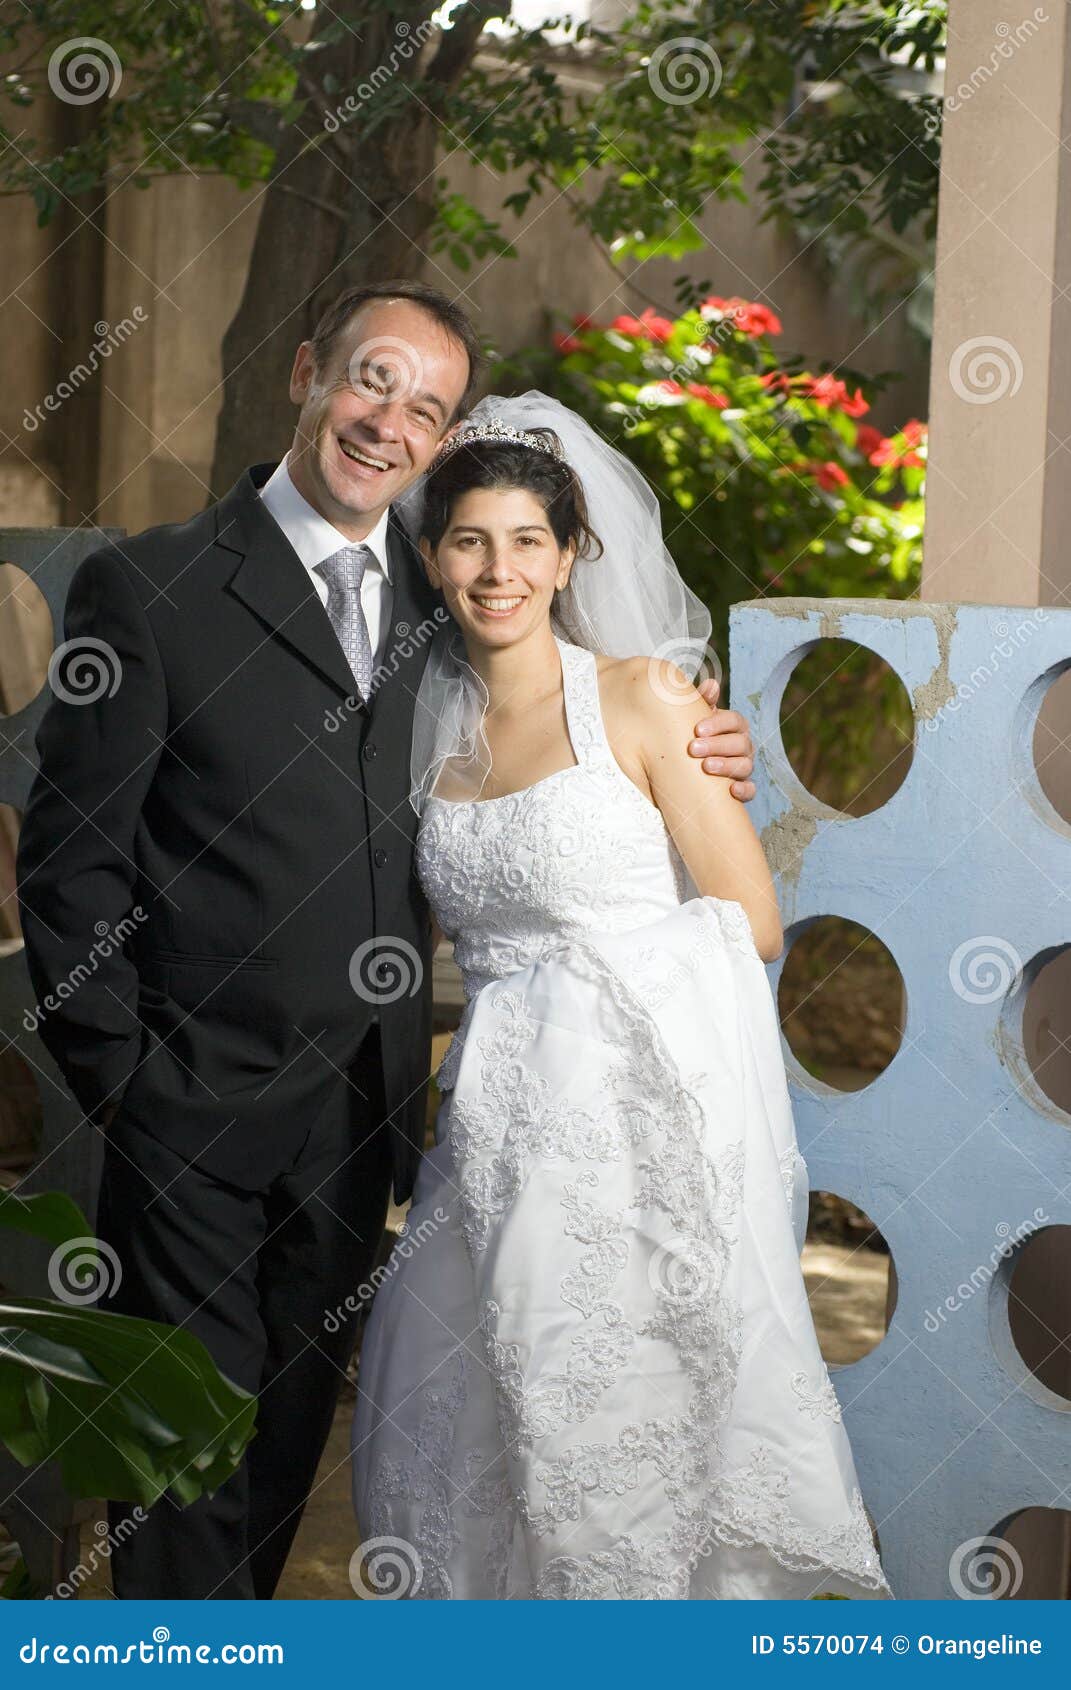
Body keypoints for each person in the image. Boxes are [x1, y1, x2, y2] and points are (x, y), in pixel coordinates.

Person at [13, 282, 754, 1600]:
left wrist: (700, 741)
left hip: (366, 1125)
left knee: (288, 1455)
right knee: (179, 1474)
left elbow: (561, 733)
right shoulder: (158, 584)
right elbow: (73, 868)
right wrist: (133, 1090)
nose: (388, 422)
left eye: (425, 406)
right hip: (191, 1111)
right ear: (308, 371)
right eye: (370, 381)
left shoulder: (442, 603)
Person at [350, 393, 894, 1601]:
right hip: (490, 1142)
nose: (499, 570)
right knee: (472, 1431)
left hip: (635, 1134)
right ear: (434, 560)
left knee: (631, 1435)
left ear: (570, 555)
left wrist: (569, 1016)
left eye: (527, 542)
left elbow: (748, 922)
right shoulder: (424, 740)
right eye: (469, 542)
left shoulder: (644, 699)